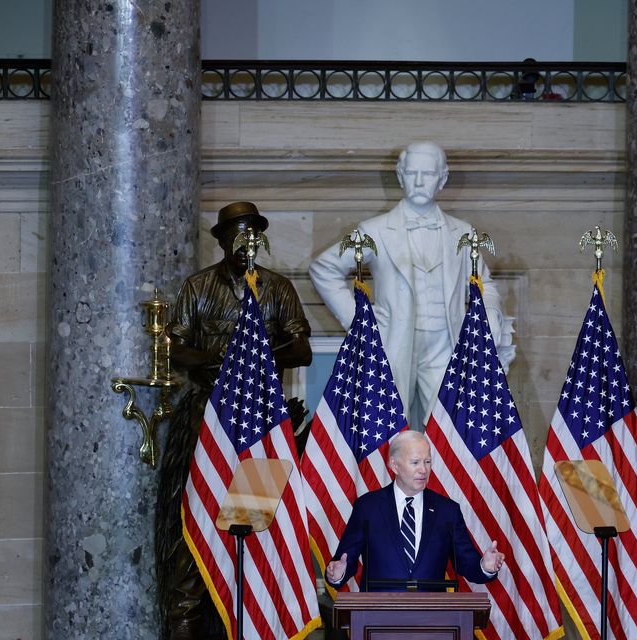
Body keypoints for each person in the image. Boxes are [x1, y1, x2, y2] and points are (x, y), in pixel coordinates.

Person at [157, 201, 312, 640]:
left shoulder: (277, 288)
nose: (245, 240)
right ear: (222, 239)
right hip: (205, 425)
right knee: (194, 534)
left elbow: (301, 349)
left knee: (254, 536)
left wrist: (257, 361)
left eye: (252, 232)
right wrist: (219, 361)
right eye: (237, 232)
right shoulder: (200, 286)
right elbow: (173, 348)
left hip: (261, 427)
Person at [310, 141, 513, 430]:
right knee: (390, 425)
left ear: (442, 179)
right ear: (400, 175)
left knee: (448, 427)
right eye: (412, 173)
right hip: (394, 340)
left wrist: (490, 312)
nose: (419, 182)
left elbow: (485, 283)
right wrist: (358, 319)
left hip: (446, 342)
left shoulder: (463, 232)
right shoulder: (375, 230)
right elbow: (324, 268)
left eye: (427, 174)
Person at [325, 430, 504, 590]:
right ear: (395, 465)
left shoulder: (447, 511)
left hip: (433, 619)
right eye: (415, 462)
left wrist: (484, 567)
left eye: (427, 461)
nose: (423, 469)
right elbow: (345, 559)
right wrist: (337, 573)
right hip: (378, 618)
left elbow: (466, 562)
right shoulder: (368, 507)